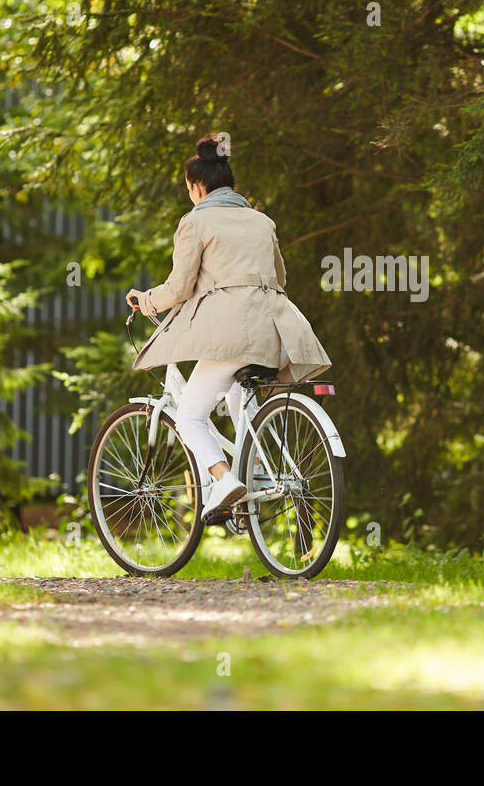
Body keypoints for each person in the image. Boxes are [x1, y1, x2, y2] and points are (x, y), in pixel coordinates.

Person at [127, 134, 331, 520]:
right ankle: (251, 470)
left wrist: (145, 300)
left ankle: (223, 480)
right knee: (240, 400)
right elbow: (280, 277)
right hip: (280, 331)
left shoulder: (196, 221)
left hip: (234, 335)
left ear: (196, 186)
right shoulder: (262, 221)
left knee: (189, 415)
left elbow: (180, 287)